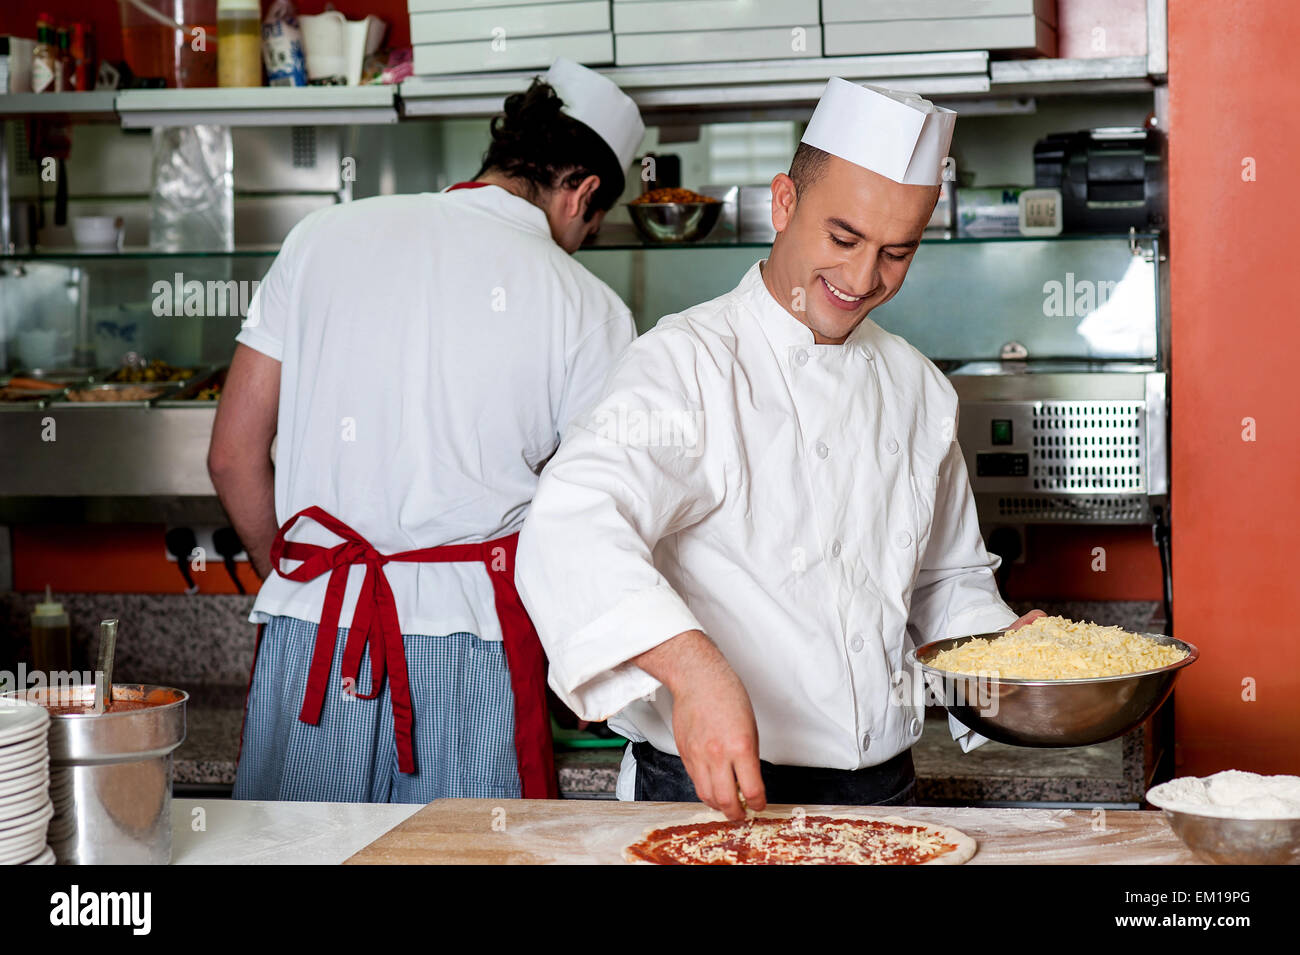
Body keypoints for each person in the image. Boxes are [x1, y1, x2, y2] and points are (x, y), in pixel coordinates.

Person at [515, 78, 1045, 819]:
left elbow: (941, 581)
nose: (863, 279)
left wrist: (1002, 656)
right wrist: (694, 670)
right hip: (709, 787)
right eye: (844, 238)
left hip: (883, 790)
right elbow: (570, 525)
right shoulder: (688, 363)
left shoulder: (919, 388)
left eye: (898, 252)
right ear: (784, 203)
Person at [207, 58, 645, 803]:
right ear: (584, 193)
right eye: (591, 228)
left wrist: (298, 573)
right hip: (471, 646)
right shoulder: (589, 306)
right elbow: (595, 524)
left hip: (314, 632)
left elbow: (231, 457)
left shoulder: (318, 237)